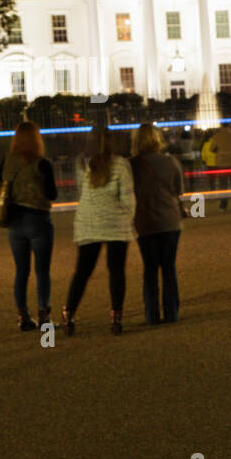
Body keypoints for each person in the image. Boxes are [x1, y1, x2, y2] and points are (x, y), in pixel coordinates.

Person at [62, 123, 135, 336]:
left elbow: (81, 190)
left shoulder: (81, 164)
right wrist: (127, 217)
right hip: (115, 222)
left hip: (88, 223)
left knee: (82, 272)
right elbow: (128, 197)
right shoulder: (120, 164)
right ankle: (116, 316)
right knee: (116, 271)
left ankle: (69, 314)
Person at [0, 121, 58, 331]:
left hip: (14, 221)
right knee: (42, 271)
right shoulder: (41, 163)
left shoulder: (7, 161)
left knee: (21, 271)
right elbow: (52, 194)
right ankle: (44, 316)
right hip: (38, 219)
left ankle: (22, 316)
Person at [130, 123, 185, 326]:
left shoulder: (131, 165)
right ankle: (172, 312)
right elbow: (178, 189)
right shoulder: (170, 162)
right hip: (170, 221)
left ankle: (151, 315)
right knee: (169, 268)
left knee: (150, 269)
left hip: (144, 222)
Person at [206, 124, 231, 211]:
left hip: (222, 162)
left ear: (221, 127)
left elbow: (212, 149)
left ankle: (223, 204)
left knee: (223, 184)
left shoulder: (217, 136)